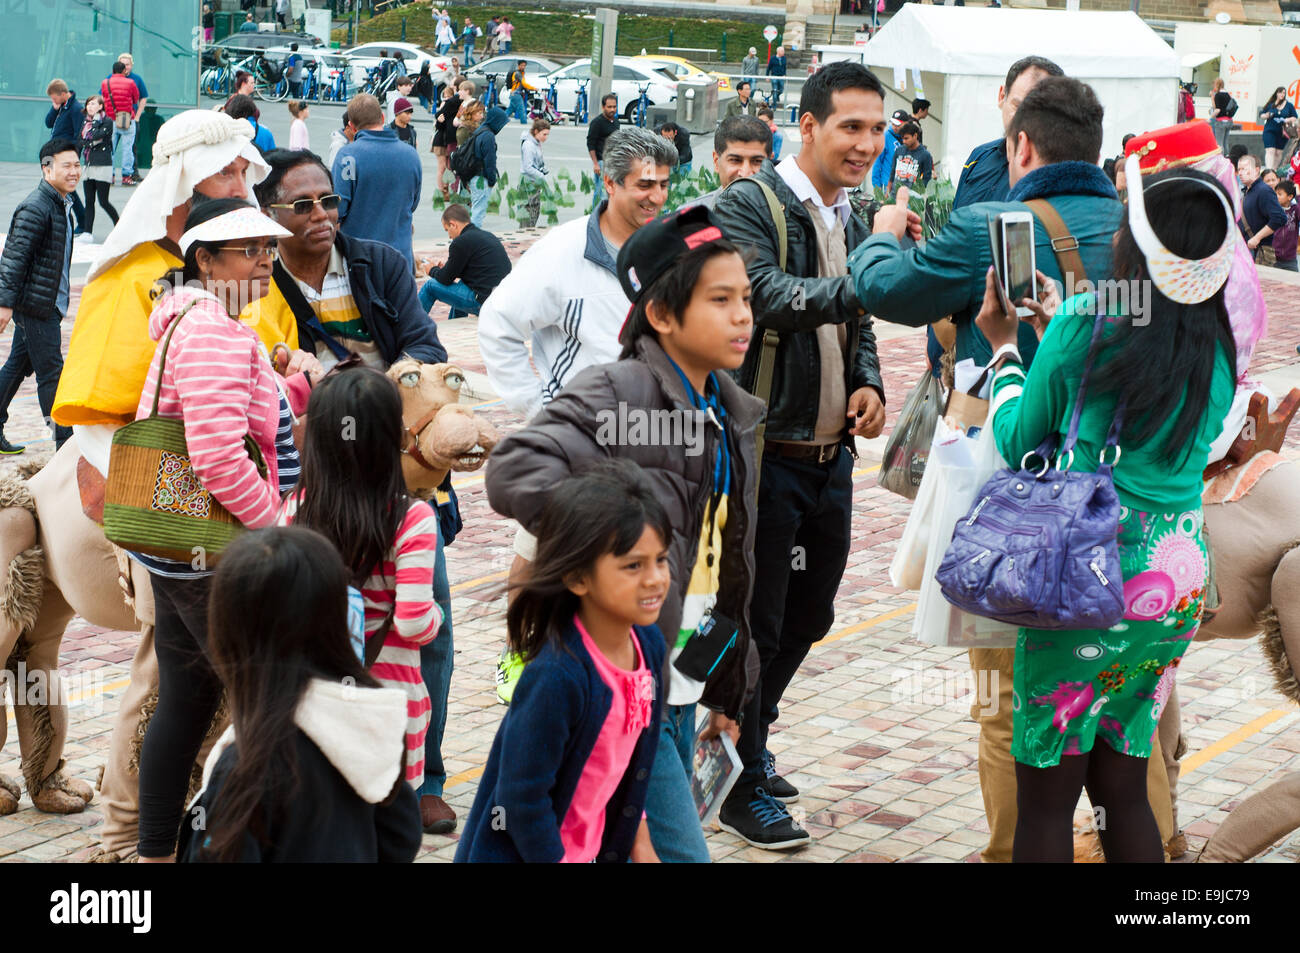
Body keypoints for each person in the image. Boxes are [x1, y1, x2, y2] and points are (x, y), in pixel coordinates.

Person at [976, 162, 1238, 863]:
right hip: (1172, 577)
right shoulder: (1214, 336)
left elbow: (1015, 441)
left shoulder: (1084, 325)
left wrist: (1005, 350)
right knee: (1123, 781)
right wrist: (1073, 312)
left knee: (1047, 801)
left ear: (1136, 245)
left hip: (1088, 575)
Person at [484, 207, 763, 863]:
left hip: (683, 678)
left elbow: (731, 564)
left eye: (745, 297)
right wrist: (618, 538)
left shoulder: (733, 409)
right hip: (629, 678)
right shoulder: (619, 389)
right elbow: (514, 467)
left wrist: (728, 690)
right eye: (720, 300)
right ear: (662, 314)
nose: (743, 315)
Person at [710, 60, 899, 849]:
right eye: (851, 127)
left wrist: (869, 382)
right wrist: (878, 272)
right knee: (752, 621)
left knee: (810, 611)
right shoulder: (748, 204)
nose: (867, 144)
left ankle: (748, 740)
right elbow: (772, 300)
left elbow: (856, 326)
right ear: (810, 126)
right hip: (762, 456)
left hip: (830, 456)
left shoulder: (852, 217)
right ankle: (739, 778)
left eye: (878, 129)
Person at [133, 200, 306, 863]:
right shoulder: (214, 332)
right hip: (215, 550)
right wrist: (274, 529)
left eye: (267, 247)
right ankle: (234, 848)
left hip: (176, 540)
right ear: (204, 259)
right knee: (270, 703)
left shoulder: (198, 320)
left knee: (186, 698)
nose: (264, 259)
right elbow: (216, 456)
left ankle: (157, 853)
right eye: (247, 249)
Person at [458, 463, 667, 863]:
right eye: (633, 566)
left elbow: (630, 763)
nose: (655, 578)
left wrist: (641, 844)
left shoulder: (648, 645)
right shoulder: (557, 676)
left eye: (661, 560)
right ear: (577, 577)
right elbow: (522, 798)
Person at [178, 526, 421, 863]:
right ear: (337, 622)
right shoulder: (369, 720)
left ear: (229, 636)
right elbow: (402, 836)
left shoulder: (247, 765)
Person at [854, 76, 1120, 369]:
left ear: (1023, 146)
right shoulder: (1140, 230)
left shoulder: (987, 226)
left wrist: (884, 236)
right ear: (1096, 155)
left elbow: (885, 292)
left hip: (1006, 409)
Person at [277, 367, 442, 787]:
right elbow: (412, 622)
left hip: (313, 704)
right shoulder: (413, 520)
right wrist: (436, 615)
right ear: (392, 440)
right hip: (390, 705)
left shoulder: (293, 510)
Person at [479, 126, 676, 420]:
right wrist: (539, 411)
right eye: (645, 185)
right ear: (610, 182)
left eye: (664, 184)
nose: (658, 197)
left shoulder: (673, 248)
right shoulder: (561, 251)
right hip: (584, 440)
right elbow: (497, 324)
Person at [243, 148, 447, 371]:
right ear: (267, 216)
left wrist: (387, 390)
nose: (321, 214)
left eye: (328, 201)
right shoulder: (257, 286)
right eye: (302, 205)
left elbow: (426, 346)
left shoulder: (382, 264)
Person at [0, 139, 81, 453]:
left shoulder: (60, 203)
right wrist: (5, 304)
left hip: (46, 303)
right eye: (66, 165)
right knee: (52, 375)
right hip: (36, 307)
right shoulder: (37, 206)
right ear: (47, 169)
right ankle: (65, 446)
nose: (73, 172)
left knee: (16, 367)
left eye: (76, 165)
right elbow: (14, 258)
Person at [952, 55, 1063, 210]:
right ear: (1002, 96)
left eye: (1039, 112)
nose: (1026, 121)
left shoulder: (1060, 177)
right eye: (1018, 107)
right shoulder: (979, 157)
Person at [332, 93, 422, 269]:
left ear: (351, 125)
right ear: (382, 117)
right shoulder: (411, 155)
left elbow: (338, 209)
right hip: (400, 257)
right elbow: (412, 203)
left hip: (360, 258)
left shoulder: (347, 156)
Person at [417, 203, 511, 318]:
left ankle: (409, 325)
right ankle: (455, 320)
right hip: (500, 301)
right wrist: (445, 269)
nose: (449, 236)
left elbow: (445, 279)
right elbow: (472, 272)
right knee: (462, 284)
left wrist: (432, 270)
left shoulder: (460, 242)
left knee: (430, 286)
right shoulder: (486, 236)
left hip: (482, 303)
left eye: (447, 230)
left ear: (453, 225)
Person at [45, 79, 87, 236]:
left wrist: (73, 157)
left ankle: (82, 221)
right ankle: (58, 219)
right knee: (50, 183)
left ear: (63, 94)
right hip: (53, 152)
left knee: (65, 187)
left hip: (64, 154)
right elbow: (48, 123)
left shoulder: (76, 109)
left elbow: (79, 134)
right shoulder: (61, 106)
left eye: (54, 98)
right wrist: (54, 108)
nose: (53, 101)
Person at [459, 105, 508, 228]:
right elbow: (489, 160)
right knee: (478, 212)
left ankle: (469, 235)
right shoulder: (488, 136)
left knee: (475, 209)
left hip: (473, 176)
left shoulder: (480, 130)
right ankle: (473, 237)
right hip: (481, 178)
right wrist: (492, 180)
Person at [78, 95, 119, 239]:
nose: (90, 106)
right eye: (88, 104)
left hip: (102, 165)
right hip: (88, 164)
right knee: (89, 201)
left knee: (103, 201)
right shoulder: (84, 122)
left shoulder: (107, 121)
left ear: (101, 106)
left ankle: (119, 226)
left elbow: (96, 135)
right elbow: (81, 140)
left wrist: (94, 124)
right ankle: (87, 232)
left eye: (93, 104)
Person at [1239, 152, 1287, 262]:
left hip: (1258, 251)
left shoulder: (1264, 190)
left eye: (1245, 169)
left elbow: (1280, 218)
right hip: (1246, 250)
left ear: (1256, 170)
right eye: (1239, 169)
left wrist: (1257, 238)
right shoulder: (1247, 191)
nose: (1241, 173)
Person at [101, 61, 141, 186]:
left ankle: (110, 176)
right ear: (124, 71)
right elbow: (135, 99)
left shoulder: (105, 83)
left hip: (110, 120)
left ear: (113, 70)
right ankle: (126, 176)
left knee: (109, 149)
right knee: (127, 149)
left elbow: (104, 98)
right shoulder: (131, 83)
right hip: (127, 119)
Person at [587, 93, 620, 211]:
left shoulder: (616, 122)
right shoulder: (597, 122)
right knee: (600, 192)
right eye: (609, 107)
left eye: (614, 107)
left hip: (613, 162)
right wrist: (595, 163)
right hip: (601, 162)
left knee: (612, 192)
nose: (612, 109)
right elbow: (591, 143)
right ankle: (595, 216)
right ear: (603, 107)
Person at [519, 117, 550, 228]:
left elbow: (537, 162)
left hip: (534, 182)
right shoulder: (529, 145)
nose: (546, 137)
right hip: (528, 183)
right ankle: (523, 238)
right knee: (528, 215)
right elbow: (527, 167)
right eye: (544, 134)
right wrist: (541, 176)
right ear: (536, 131)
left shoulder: (536, 143)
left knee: (534, 212)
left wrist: (543, 168)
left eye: (547, 135)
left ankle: (526, 235)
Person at [870, 109, 909, 191]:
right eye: (893, 123)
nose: (894, 126)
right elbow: (877, 162)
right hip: (888, 186)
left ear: (906, 124)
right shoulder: (885, 137)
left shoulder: (910, 138)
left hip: (906, 186)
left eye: (898, 124)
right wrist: (877, 187)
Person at [1259, 86, 1297, 172]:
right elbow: (1261, 114)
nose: (1282, 94)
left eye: (1284, 93)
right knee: (1270, 150)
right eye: (1280, 92)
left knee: (1278, 152)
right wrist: (1266, 116)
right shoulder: (1271, 104)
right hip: (1270, 130)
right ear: (1276, 93)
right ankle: (1268, 170)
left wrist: (1288, 119)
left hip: (1283, 132)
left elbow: (1295, 117)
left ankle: (1274, 170)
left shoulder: (1289, 105)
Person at [888, 121, 932, 193]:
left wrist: (916, 195)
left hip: (911, 199)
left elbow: (926, 180)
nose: (904, 141)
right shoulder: (899, 150)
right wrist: (887, 192)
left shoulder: (925, 155)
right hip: (894, 196)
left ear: (915, 136)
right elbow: (892, 172)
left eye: (906, 138)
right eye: (902, 138)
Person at [432, 85, 458, 198]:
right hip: (440, 140)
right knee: (442, 167)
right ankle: (442, 192)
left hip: (448, 141)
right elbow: (438, 124)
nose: (446, 99)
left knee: (449, 167)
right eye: (445, 96)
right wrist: (440, 120)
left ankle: (446, 189)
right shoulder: (445, 106)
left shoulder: (453, 106)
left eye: (449, 96)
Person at [1273, 178, 1298, 272]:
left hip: (1290, 260)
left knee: (1294, 284)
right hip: (1273, 258)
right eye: (1275, 194)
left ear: (1290, 196)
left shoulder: (1295, 210)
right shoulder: (1273, 210)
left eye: (1280, 194)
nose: (1276, 196)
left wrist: (1298, 196)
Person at [506, 60, 535, 125]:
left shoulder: (521, 73)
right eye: (522, 65)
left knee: (510, 110)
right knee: (521, 109)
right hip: (516, 94)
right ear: (518, 65)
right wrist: (534, 88)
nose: (523, 67)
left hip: (514, 94)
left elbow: (522, 84)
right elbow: (524, 83)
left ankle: (500, 120)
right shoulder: (517, 73)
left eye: (524, 65)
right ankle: (524, 123)